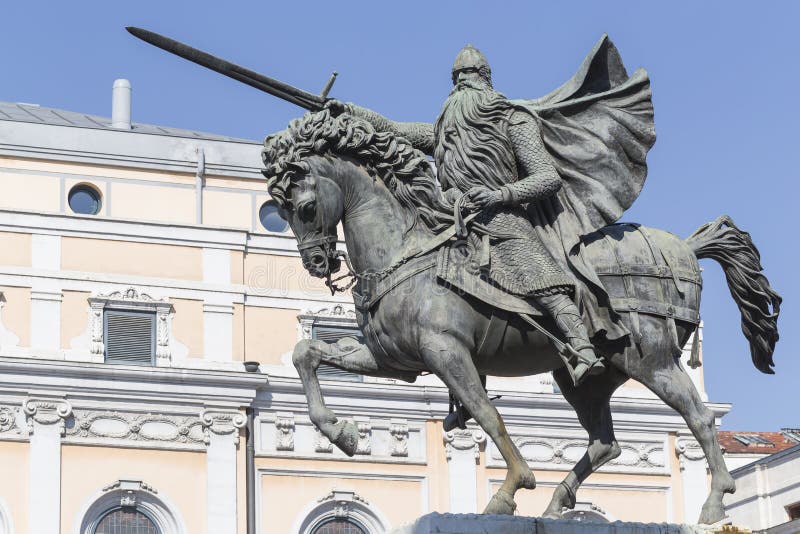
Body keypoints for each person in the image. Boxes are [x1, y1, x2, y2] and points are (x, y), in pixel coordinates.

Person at [327, 44, 607, 384]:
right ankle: (463, 384)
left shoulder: (512, 119)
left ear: (484, 80)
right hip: (451, 223)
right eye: (456, 79)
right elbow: (394, 129)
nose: (461, 84)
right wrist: (351, 112)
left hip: (503, 217)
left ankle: (581, 346)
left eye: (468, 76)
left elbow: (547, 178)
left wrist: (499, 194)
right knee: (439, 302)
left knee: (539, 277)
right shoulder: (445, 132)